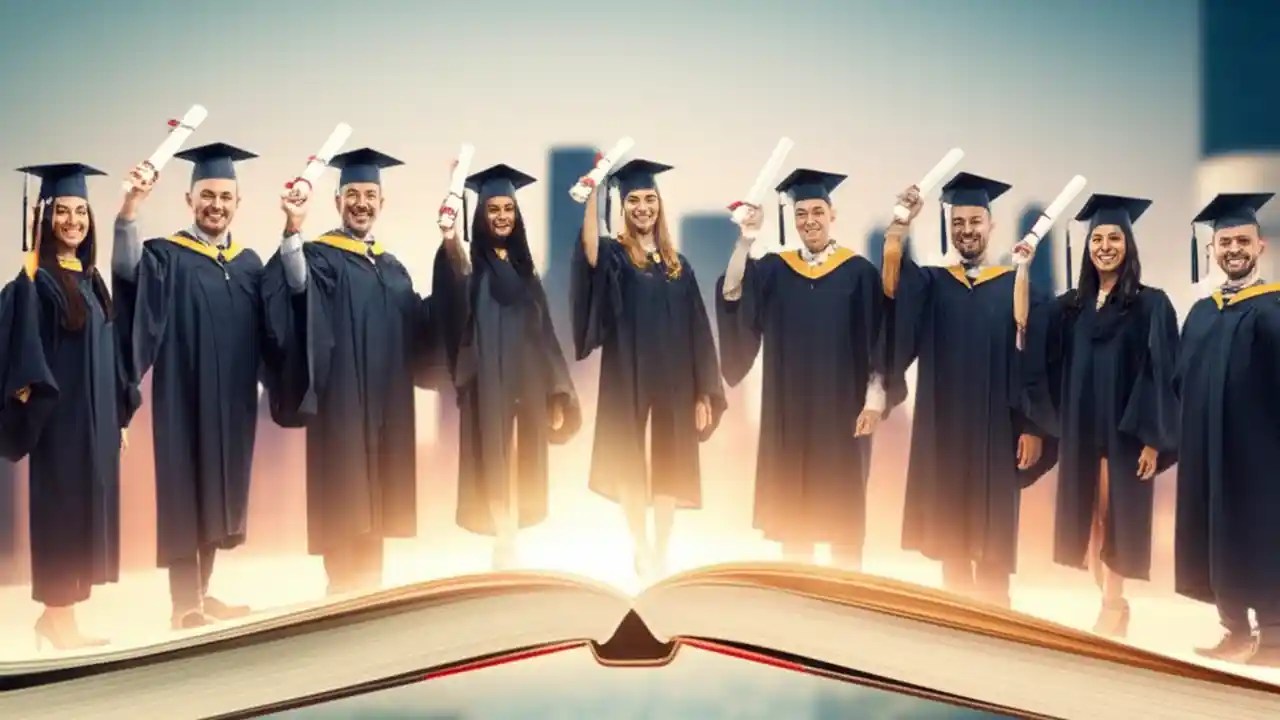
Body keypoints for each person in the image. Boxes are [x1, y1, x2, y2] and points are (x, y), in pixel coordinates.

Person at [262, 147, 437, 596]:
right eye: (353, 194)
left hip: (387, 405)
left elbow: (421, 324)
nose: (362, 203)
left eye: (371, 194)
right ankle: (339, 591)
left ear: (383, 202)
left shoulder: (392, 266)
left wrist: (456, 270)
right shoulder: (321, 256)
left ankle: (370, 592)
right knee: (345, 496)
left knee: (378, 499)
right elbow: (297, 286)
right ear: (337, 200)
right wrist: (292, 231)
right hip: (342, 404)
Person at [881, 173, 1057, 608]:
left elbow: (1037, 361)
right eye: (958, 222)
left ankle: (998, 613)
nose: (967, 230)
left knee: (994, 536)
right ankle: (956, 616)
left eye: (975, 221)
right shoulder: (934, 285)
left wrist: (1034, 426)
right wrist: (900, 225)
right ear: (949, 228)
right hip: (945, 428)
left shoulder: (1018, 288)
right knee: (952, 539)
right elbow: (894, 288)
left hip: (998, 427)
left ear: (991, 225)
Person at [113, 143, 261, 629]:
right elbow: (130, 273)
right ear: (189, 199)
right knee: (185, 490)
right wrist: (130, 209)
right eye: (207, 195)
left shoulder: (248, 264)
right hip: (184, 395)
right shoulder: (167, 255)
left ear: (238, 202)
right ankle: (183, 604)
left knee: (221, 492)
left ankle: (203, 592)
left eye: (225, 196)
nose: (216, 205)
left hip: (235, 400)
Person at [1022, 194, 1179, 637]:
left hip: (1124, 428)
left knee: (1115, 517)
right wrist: (1021, 266)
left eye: (1114, 237)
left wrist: (1153, 437)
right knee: (1089, 519)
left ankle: (1112, 604)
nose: (1105, 246)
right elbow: (1026, 326)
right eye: (1097, 238)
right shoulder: (1070, 307)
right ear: (1086, 246)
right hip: (1080, 426)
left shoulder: (1151, 305)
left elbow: (1163, 371)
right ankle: (1111, 601)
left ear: (1128, 245)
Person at [715, 169, 887, 569]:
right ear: (792, 219)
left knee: (843, 514)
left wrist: (875, 401)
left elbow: (881, 340)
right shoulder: (775, 270)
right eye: (801, 213)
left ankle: (849, 600)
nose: (809, 220)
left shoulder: (859, 273)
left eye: (817, 211)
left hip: (843, 412)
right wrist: (747, 238)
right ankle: (799, 600)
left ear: (832, 213)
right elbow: (732, 291)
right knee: (794, 519)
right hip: (790, 410)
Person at [1, 163, 140, 649]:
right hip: (60, 423)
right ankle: (56, 619)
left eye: (81, 212)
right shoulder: (36, 282)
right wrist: (30, 405)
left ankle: (63, 620)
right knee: (62, 514)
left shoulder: (91, 279)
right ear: (46, 218)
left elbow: (113, 354)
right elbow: (24, 351)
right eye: (63, 211)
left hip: (98, 422)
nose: (73, 221)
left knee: (84, 513)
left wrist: (119, 417)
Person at [570, 158, 726, 580]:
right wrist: (593, 193)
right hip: (629, 374)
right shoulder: (618, 257)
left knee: (670, 466)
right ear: (622, 207)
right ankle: (639, 545)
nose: (643, 207)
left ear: (660, 204)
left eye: (650, 199)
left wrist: (703, 392)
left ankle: (661, 550)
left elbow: (699, 329)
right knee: (631, 464)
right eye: (634, 200)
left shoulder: (680, 266)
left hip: (676, 377)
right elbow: (589, 252)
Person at [431, 163, 580, 570]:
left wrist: (556, 390)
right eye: (493, 209)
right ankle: (503, 535)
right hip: (488, 380)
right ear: (480, 216)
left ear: (516, 216)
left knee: (521, 459)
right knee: (493, 456)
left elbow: (544, 333)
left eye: (508, 209)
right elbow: (451, 291)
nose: (501, 216)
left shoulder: (525, 271)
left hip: (527, 379)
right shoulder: (470, 269)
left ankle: (512, 533)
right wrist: (448, 239)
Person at [1176, 192, 1280, 666]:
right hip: (1208, 452)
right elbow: (1181, 380)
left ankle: (1275, 638)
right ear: (1212, 249)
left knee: (1261, 532)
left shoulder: (1274, 308)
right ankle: (1235, 630)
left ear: (1260, 246)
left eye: (1242, 240)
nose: (1233, 249)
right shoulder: (1201, 313)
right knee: (1215, 534)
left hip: (1259, 455)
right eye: (1224, 242)